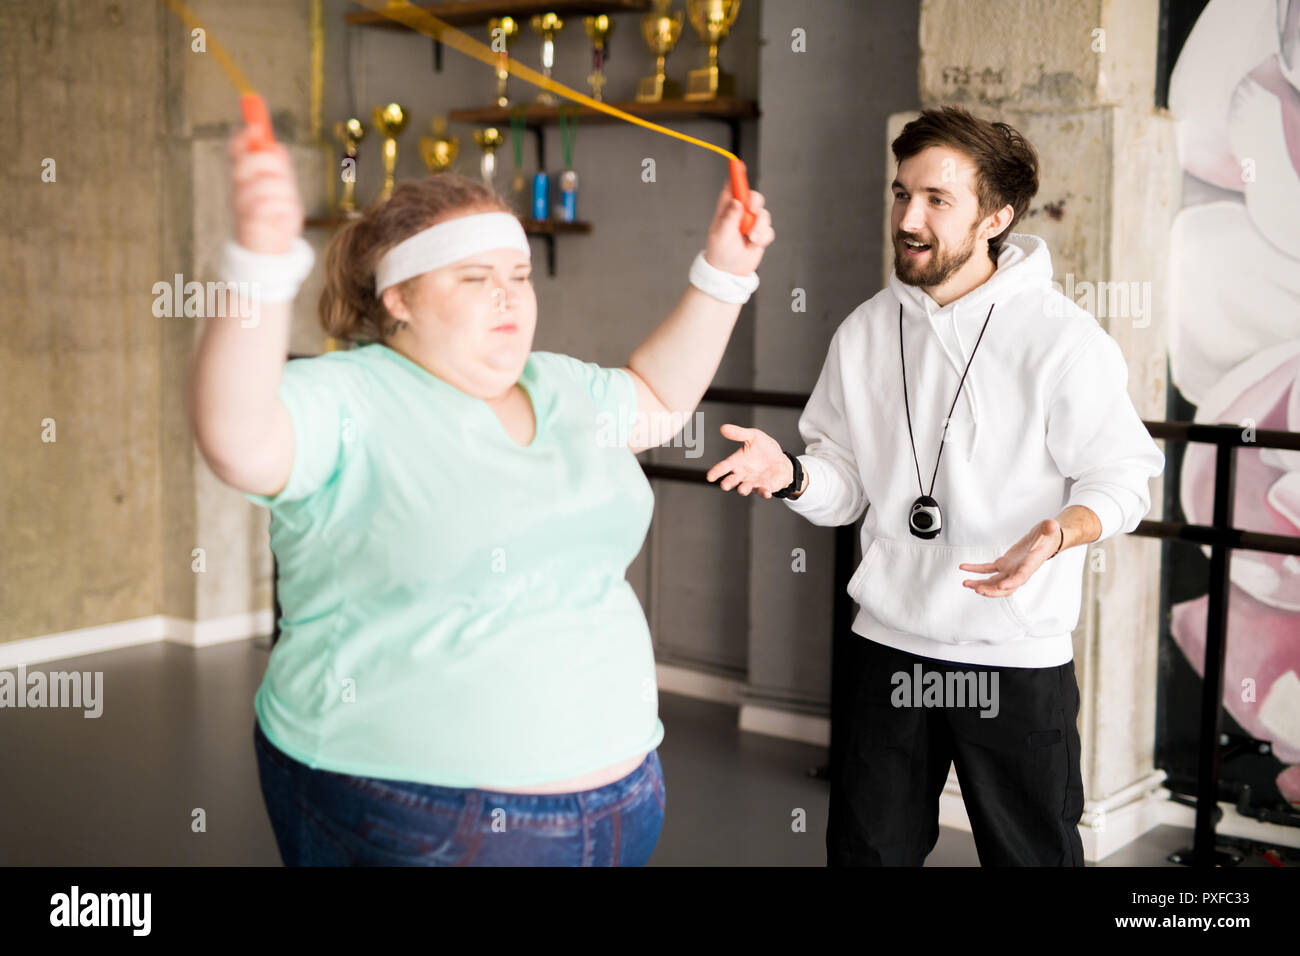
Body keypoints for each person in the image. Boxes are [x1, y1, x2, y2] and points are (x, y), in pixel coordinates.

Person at [188, 124, 774, 866]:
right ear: (397, 297)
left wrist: (725, 272)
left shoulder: (557, 383)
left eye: (520, 274)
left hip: (622, 800)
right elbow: (234, 439)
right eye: (473, 278)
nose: (508, 295)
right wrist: (260, 269)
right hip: (409, 808)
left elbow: (657, 396)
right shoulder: (346, 397)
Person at [706, 106, 1164, 866]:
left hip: (1013, 656)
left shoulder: (1063, 339)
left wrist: (1057, 532)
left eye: (937, 200)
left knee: (1031, 857)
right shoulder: (862, 332)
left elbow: (1126, 479)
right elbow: (845, 487)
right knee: (867, 852)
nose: (908, 218)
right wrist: (789, 475)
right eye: (901, 194)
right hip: (888, 646)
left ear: (997, 217)